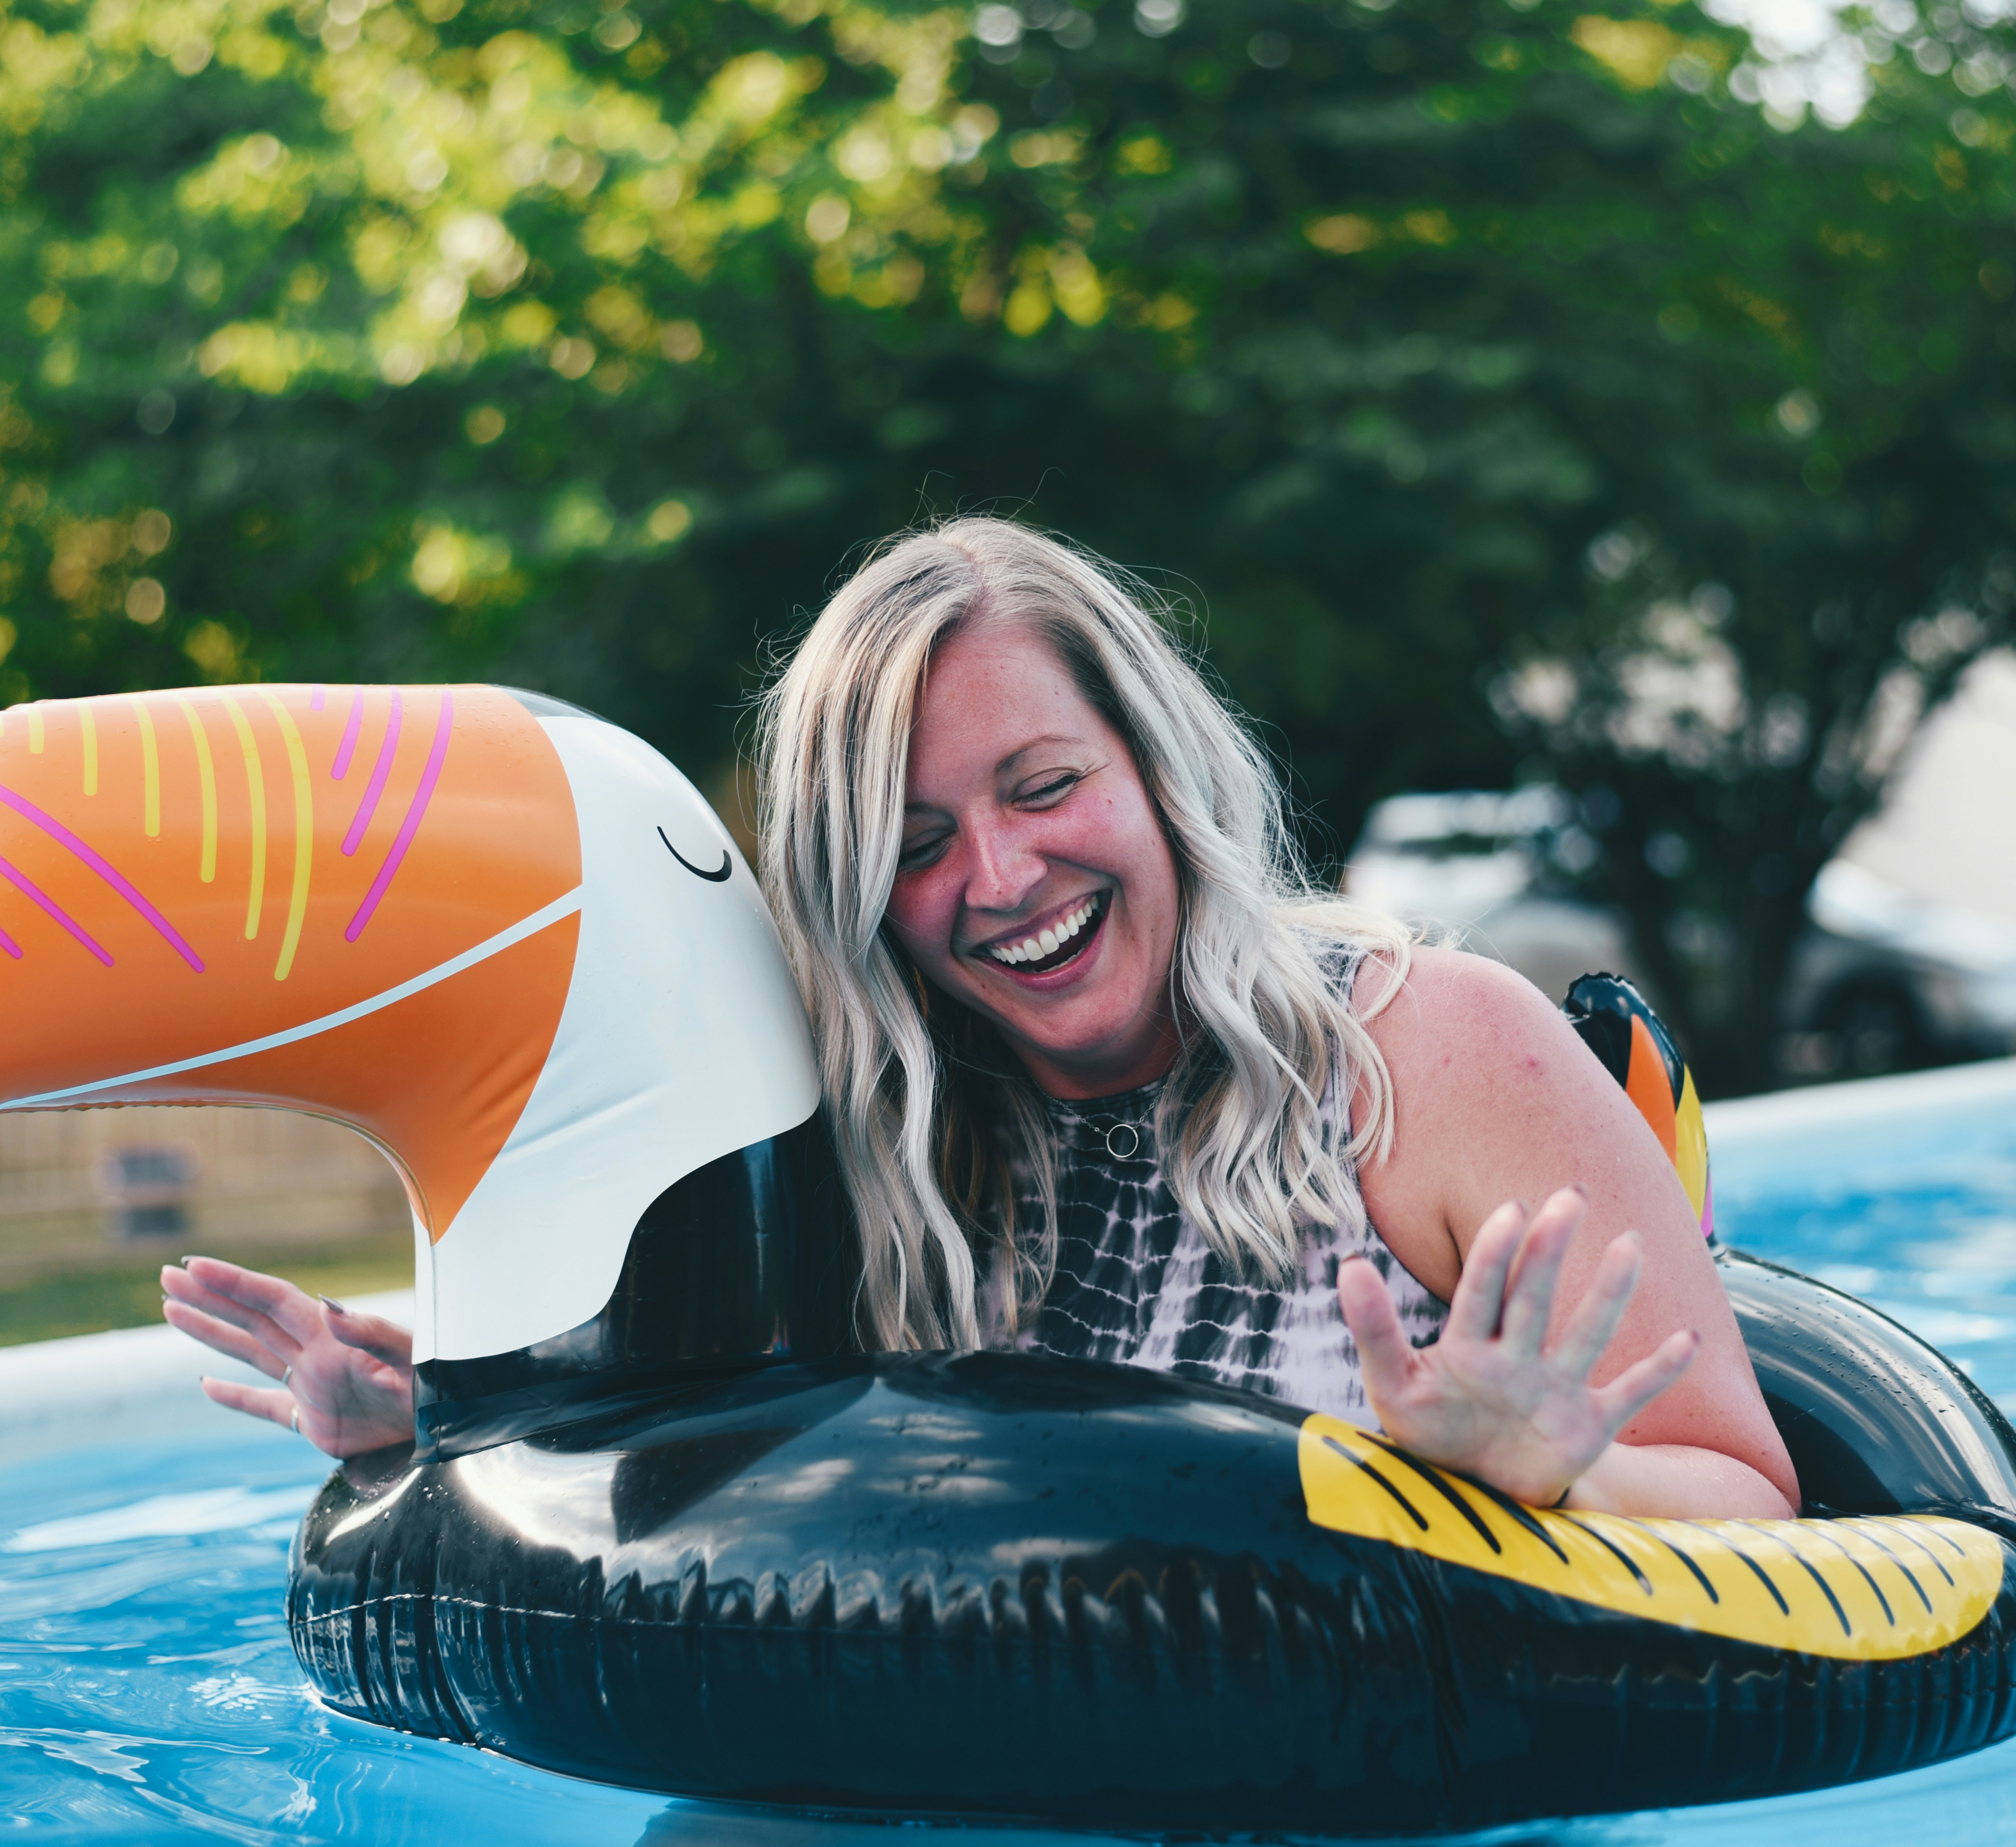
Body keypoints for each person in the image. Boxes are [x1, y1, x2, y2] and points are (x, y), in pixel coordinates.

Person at [162, 520, 1798, 1518]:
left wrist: (1550, 1469)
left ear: (1157, 770)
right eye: (919, 844)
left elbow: (1762, 1511)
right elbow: (688, 1491)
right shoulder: (848, 1143)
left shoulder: (1429, 1053)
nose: (1004, 877)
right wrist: (434, 1433)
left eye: (1045, 786)